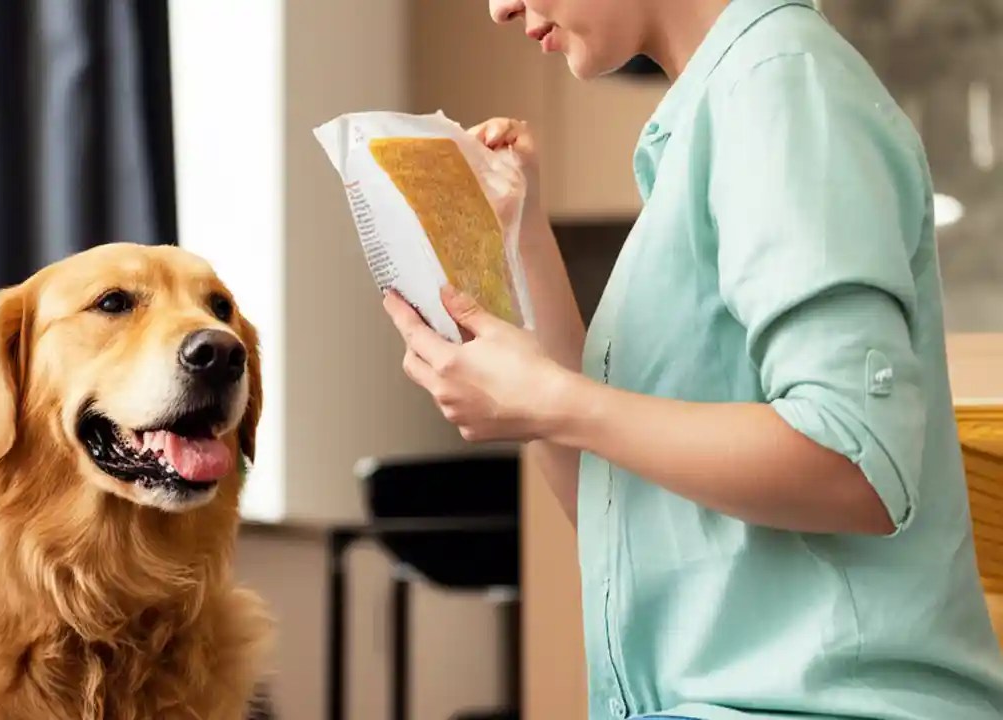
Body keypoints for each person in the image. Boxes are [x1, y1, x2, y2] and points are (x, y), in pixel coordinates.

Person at [381, 0, 1003, 718]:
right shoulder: (720, 116)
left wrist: (555, 399)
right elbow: (619, 508)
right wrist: (523, 239)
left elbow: (853, 463)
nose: (500, 7)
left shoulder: (780, 85)